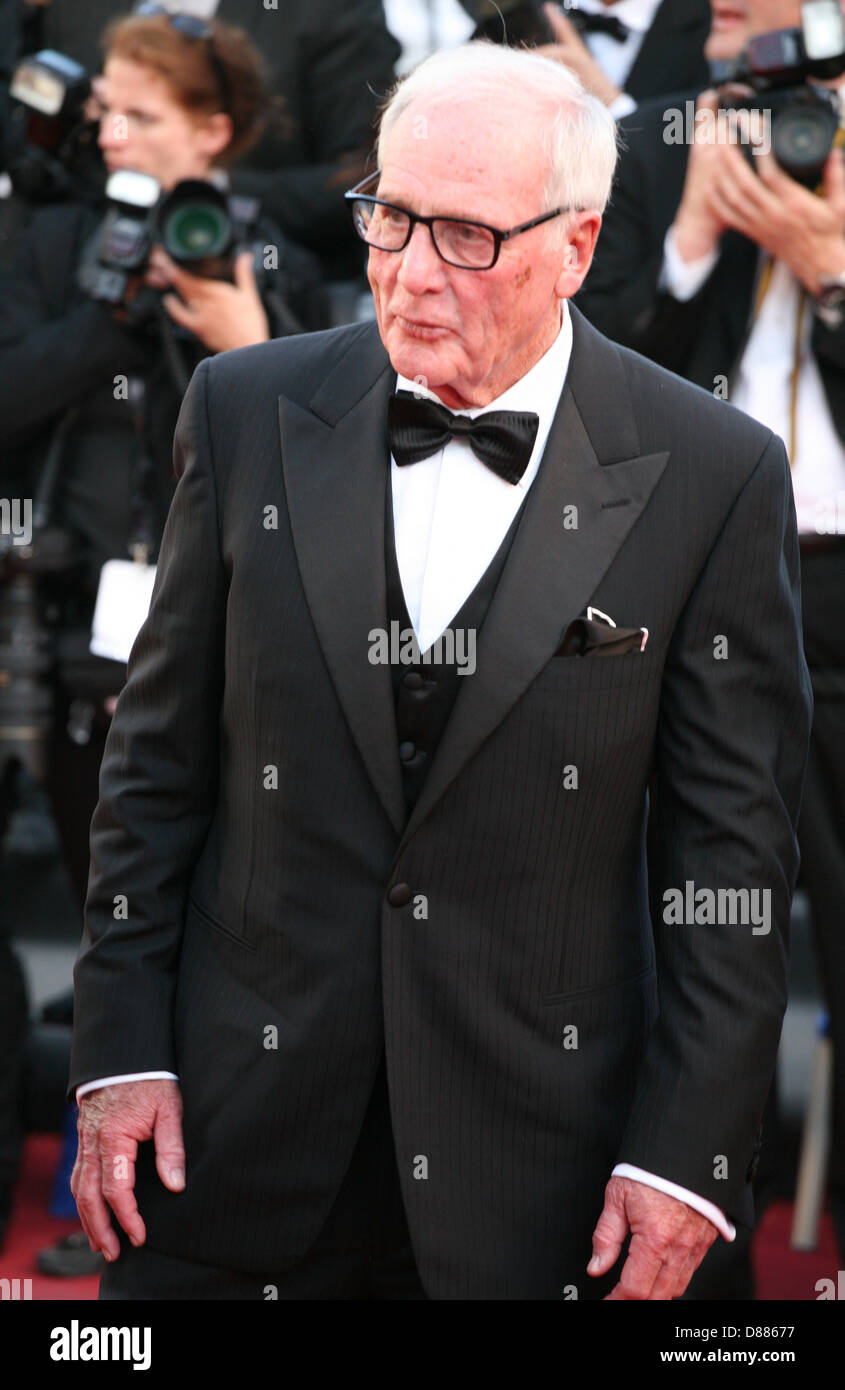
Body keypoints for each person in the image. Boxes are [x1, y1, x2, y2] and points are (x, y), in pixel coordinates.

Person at [69, 40, 811, 1301]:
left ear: (575, 247)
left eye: (464, 236)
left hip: (544, 1175)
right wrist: (116, 1053)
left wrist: (689, 1156)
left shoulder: (711, 472)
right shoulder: (243, 409)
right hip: (231, 1148)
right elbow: (153, 771)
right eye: (389, 217)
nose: (409, 275)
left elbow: (726, 859)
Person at [575, 0, 845, 1262]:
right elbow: (599, 393)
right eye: (723, 13)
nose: (741, 40)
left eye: (769, 16)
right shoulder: (656, 145)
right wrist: (693, 233)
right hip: (692, 596)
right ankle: (680, 1204)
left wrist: (830, 266)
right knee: (681, 910)